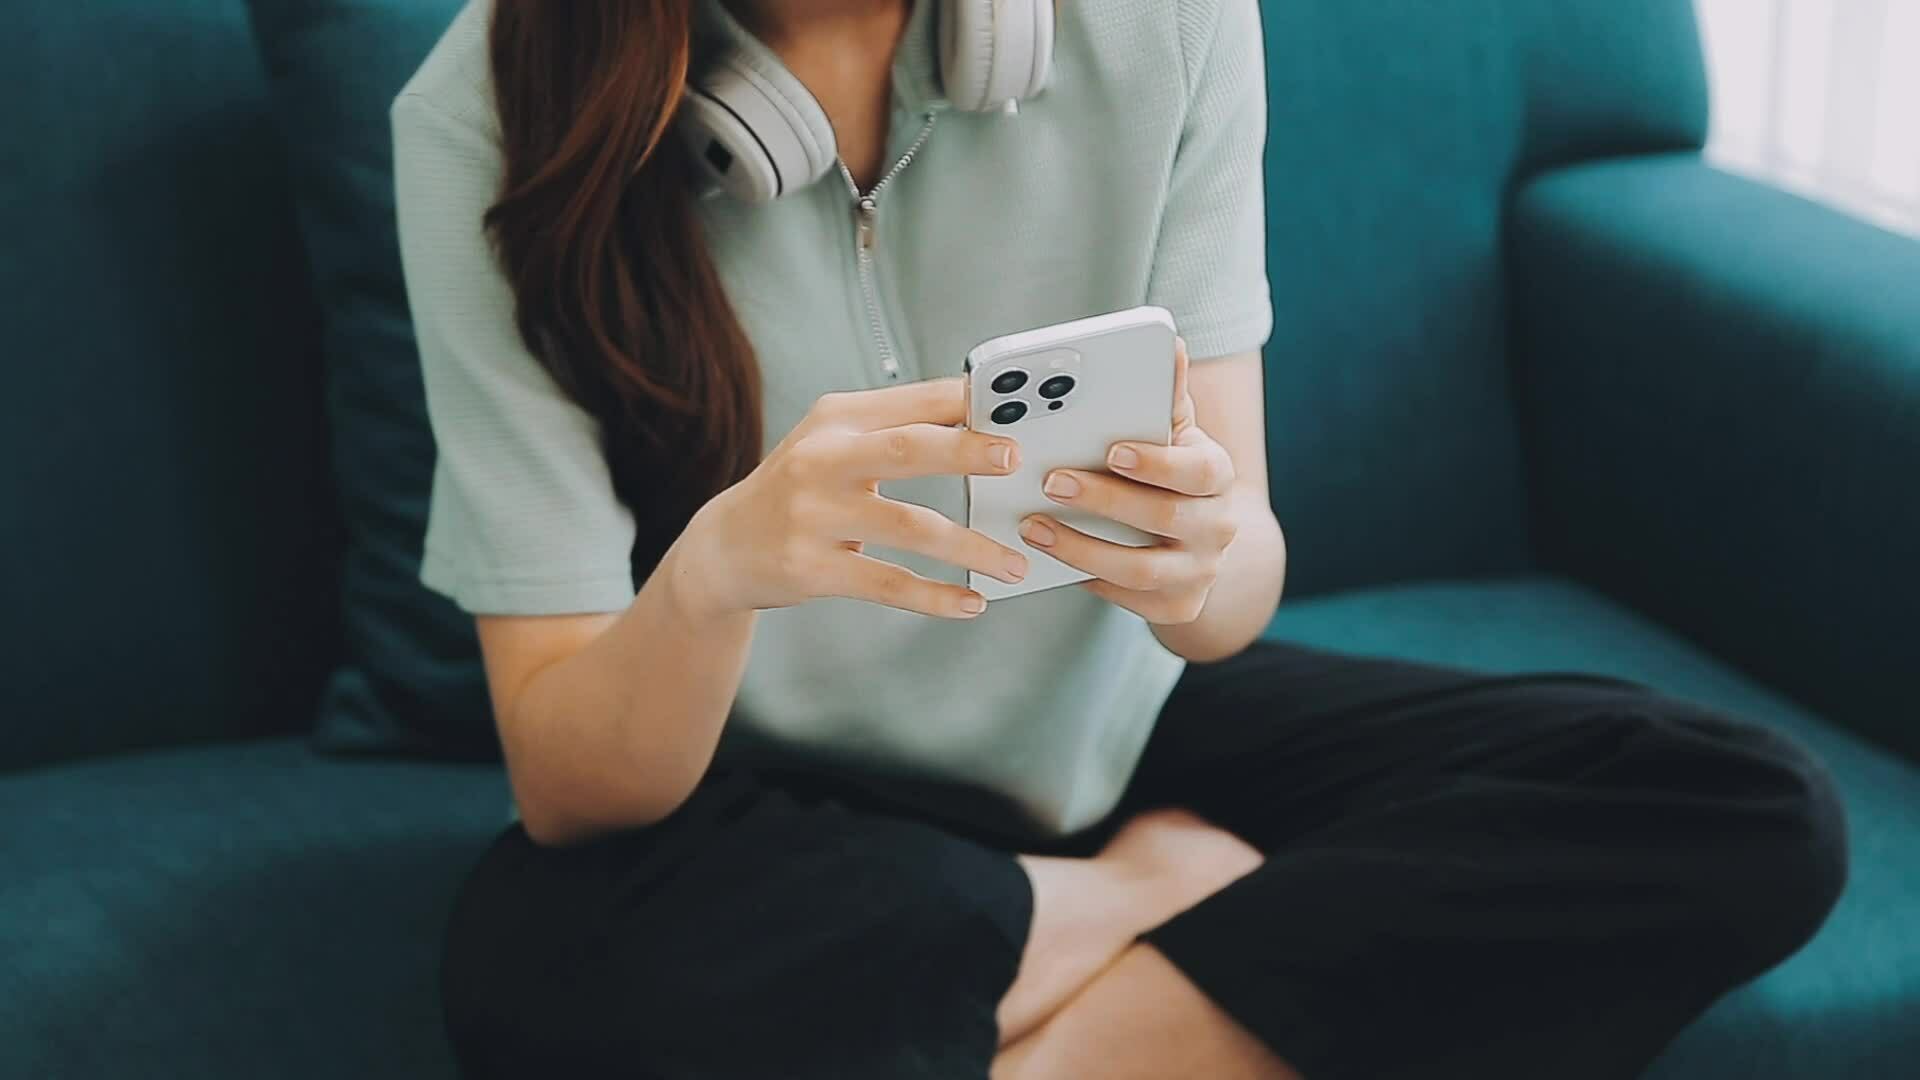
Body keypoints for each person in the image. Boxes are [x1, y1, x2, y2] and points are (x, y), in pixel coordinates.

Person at [393, 1, 1847, 1076]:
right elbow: (573, 788)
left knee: (1734, 805)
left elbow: (1235, 591)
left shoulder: (1161, 20)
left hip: (1108, 719)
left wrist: (1205, 556)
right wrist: (711, 577)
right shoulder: (483, 117)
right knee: (525, 969)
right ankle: (1159, 892)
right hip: (751, 800)